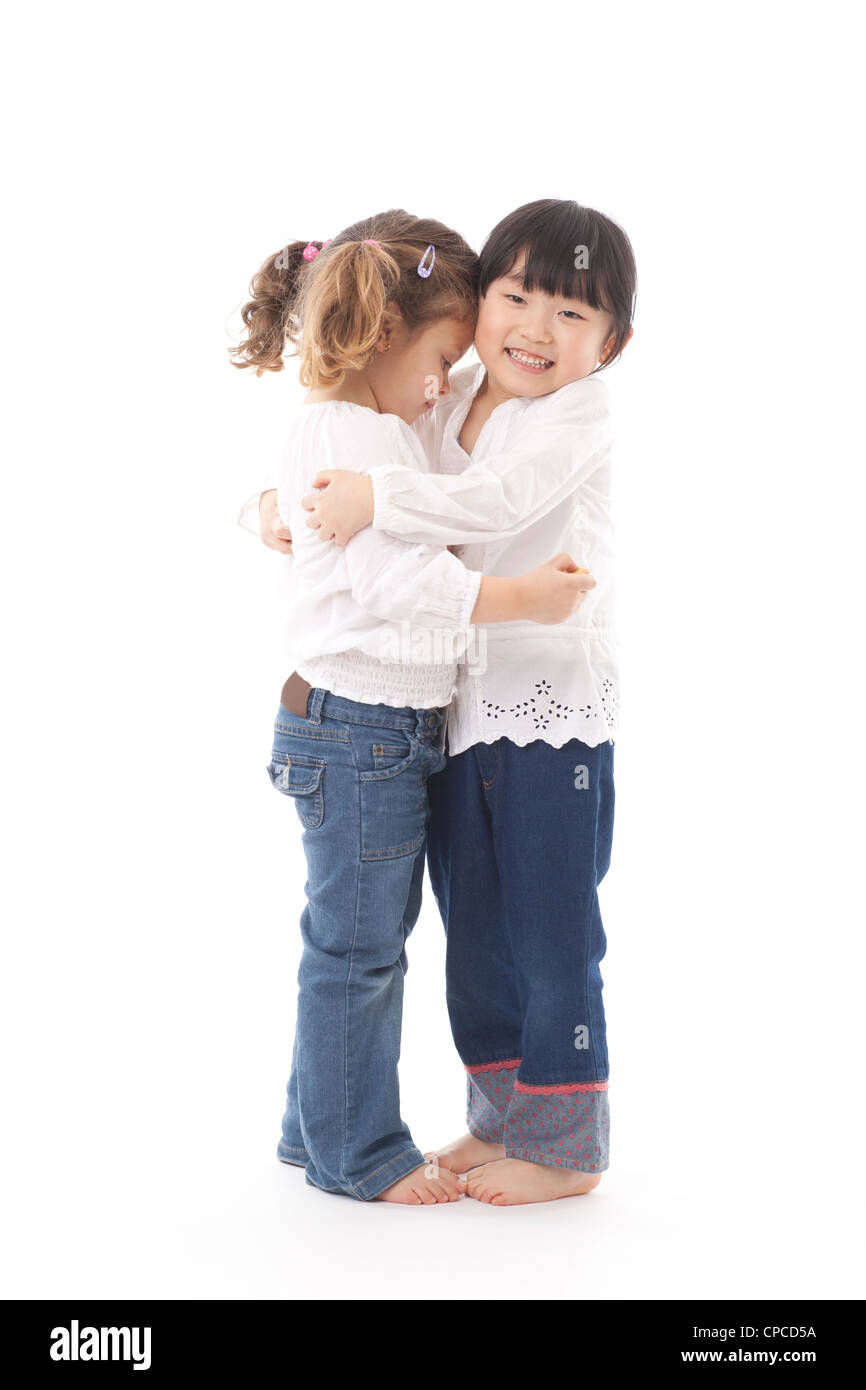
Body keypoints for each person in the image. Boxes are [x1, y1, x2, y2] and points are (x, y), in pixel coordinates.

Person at [232, 208, 597, 1204]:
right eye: (440, 354)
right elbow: (397, 580)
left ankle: (314, 1131)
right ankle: (357, 1151)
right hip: (359, 728)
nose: (446, 382)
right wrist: (515, 599)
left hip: (370, 726)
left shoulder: (376, 423)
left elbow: (375, 511)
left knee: (352, 946)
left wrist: (270, 511)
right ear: (385, 336)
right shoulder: (357, 430)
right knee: (357, 952)